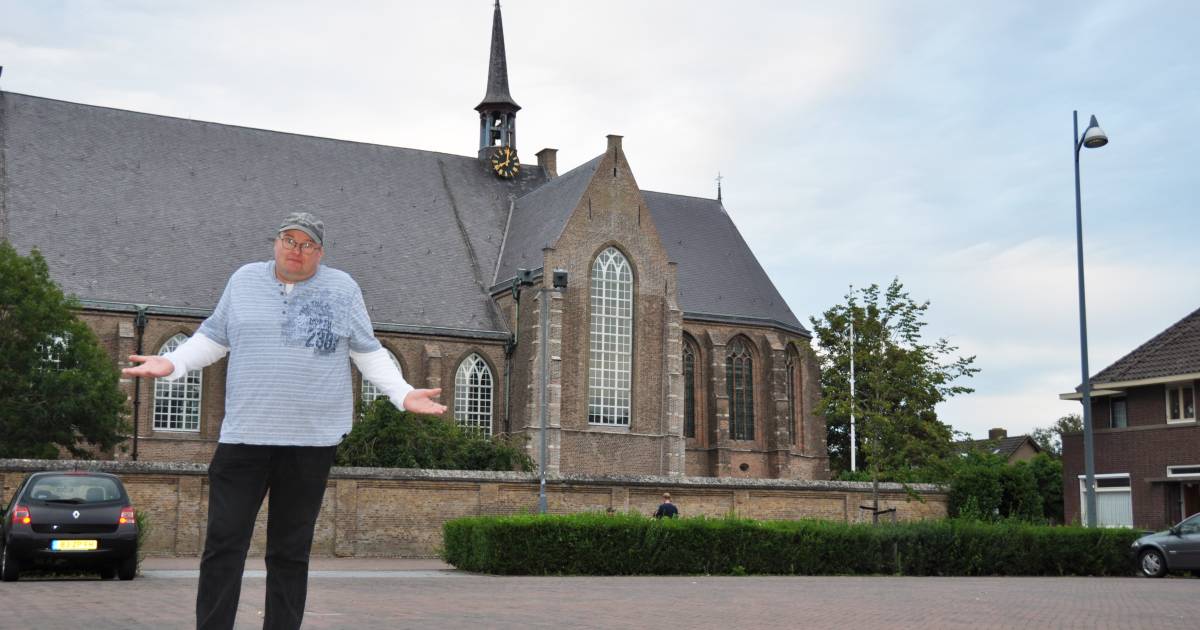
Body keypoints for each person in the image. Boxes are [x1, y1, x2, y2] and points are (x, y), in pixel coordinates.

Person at [123, 212, 445, 630]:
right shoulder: (243, 281)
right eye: (289, 240)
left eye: (306, 244)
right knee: (223, 545)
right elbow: (213, 337)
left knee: (290, 553)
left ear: (320, 252)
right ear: (275, 242)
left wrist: (402, 393)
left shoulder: (342, 289)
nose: (296, 250)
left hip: (310, 443)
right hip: (244, 438)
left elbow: (367, 352)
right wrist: (173, 362)